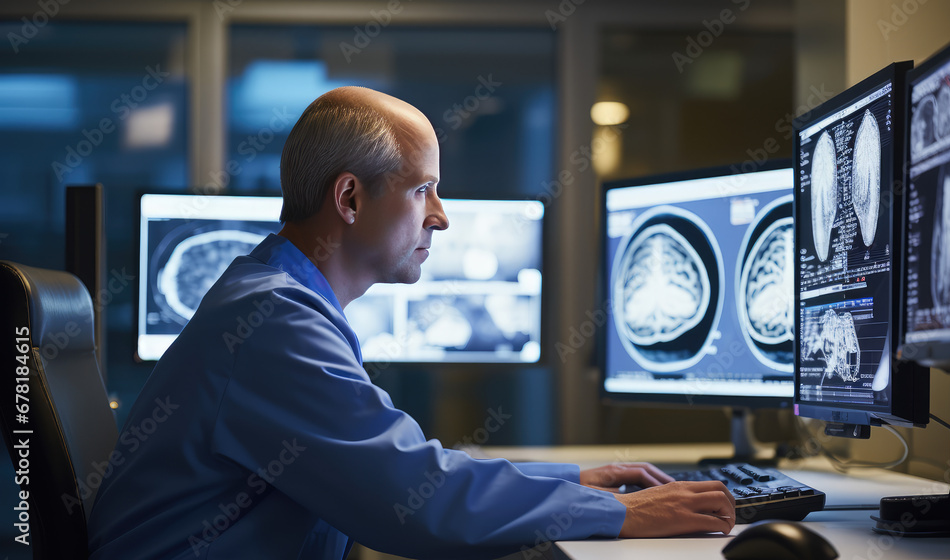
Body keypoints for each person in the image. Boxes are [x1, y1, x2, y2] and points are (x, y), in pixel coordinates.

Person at [87, 87, 735, 560]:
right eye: (424, 189)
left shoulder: (278, 297)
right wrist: (616, 514)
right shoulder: (273, 318)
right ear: (349, 198)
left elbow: (398, 466)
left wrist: (569, 481)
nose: (442, 217)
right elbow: (417, 502)